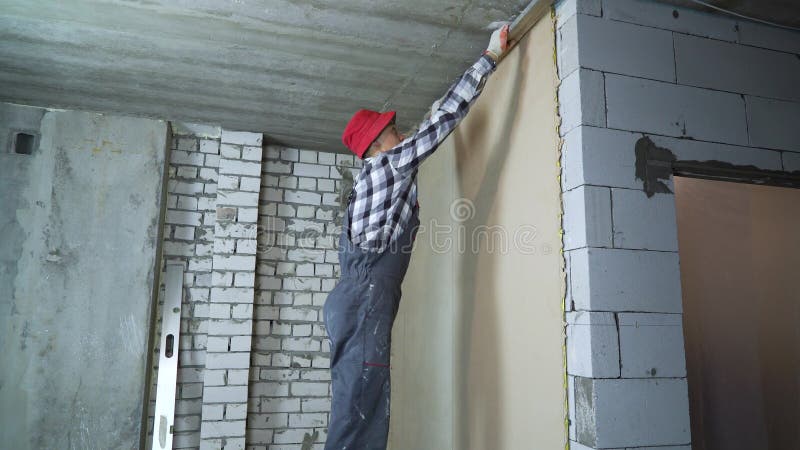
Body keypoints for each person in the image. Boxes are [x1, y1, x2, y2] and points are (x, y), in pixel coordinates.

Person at [322, 23, 511, 450]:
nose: (402, 133)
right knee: (360, 410)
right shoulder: (390, 165)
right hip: (366, 299)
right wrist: (489, 58)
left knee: (355, 404)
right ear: (378, 144)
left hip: (355, 299)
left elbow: (429, 122)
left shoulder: (373, 177)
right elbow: (442, 122)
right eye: (393, 131)